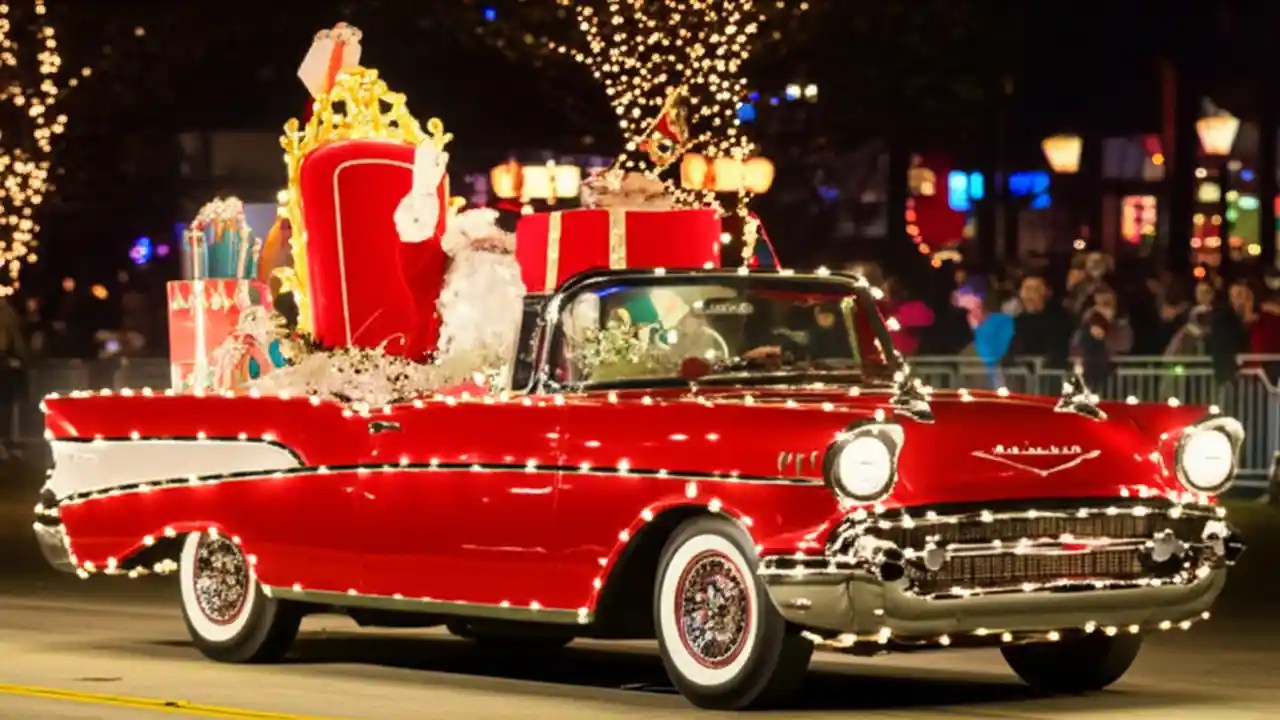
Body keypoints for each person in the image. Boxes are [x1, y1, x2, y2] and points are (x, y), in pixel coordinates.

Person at [1008, 274, 1072, 369]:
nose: (1028, 294)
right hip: (1021, 378)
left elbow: (1057, 354)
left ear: (1046, 291)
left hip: (1048, 377)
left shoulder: (1059, 319)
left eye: (1034, 289)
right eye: (1026, 289)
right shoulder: (1017, 321)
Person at [0, 298, 28, 458]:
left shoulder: (6, 311)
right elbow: (15, 338)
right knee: (5, 404)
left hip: (4, 361)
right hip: (5, 361)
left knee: (5, 403)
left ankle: (5, 441)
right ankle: (5, 441)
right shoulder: (6, 311)